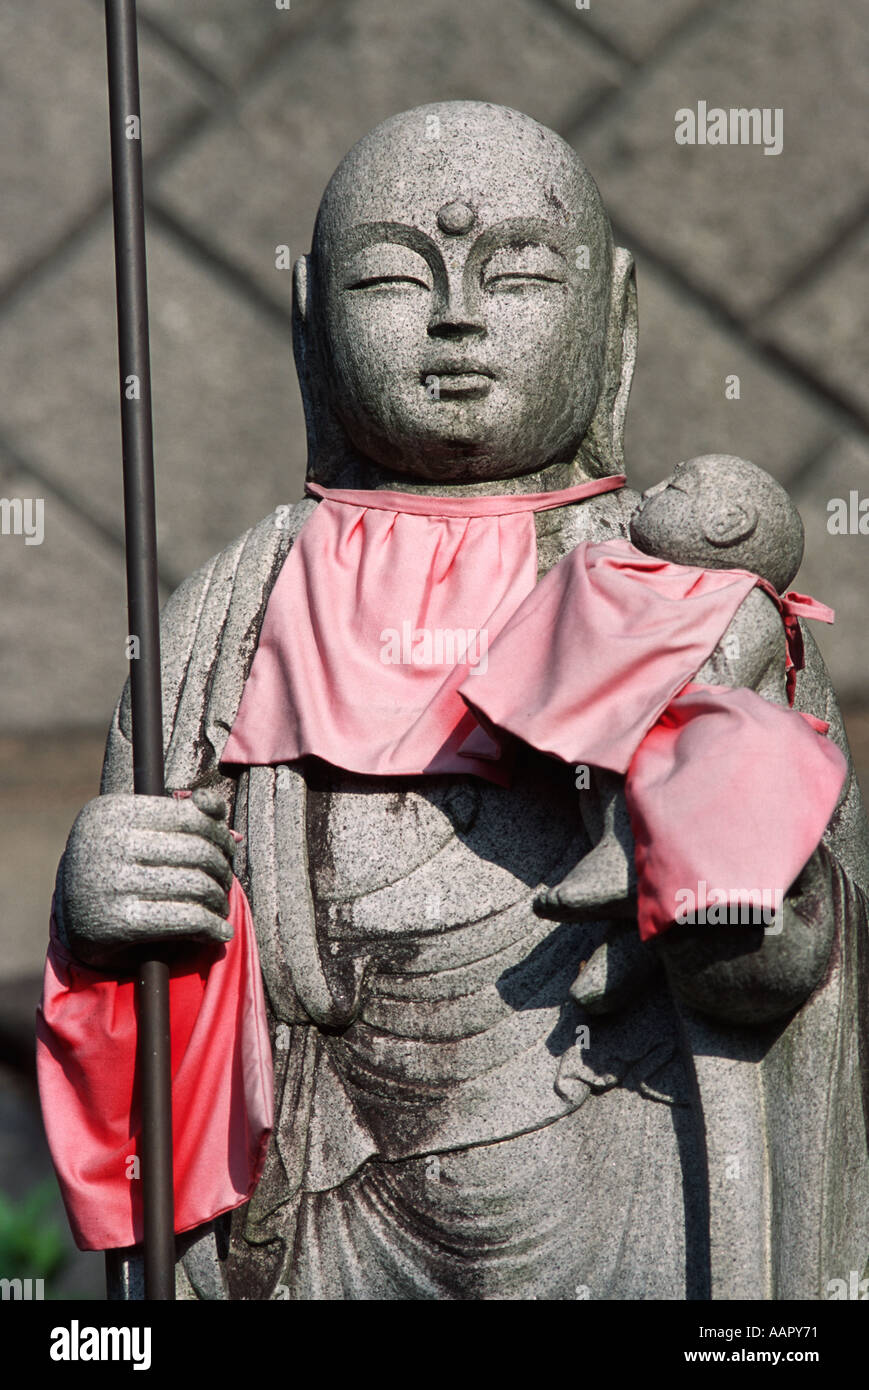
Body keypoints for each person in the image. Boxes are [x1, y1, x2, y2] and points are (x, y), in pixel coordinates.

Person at [39, 104, 869, 1300]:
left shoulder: (681, 595)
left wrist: (757, 921)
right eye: (390, 278)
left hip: (612, 1147)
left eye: (517, 273)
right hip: (322, 1175)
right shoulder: (234, 603)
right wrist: (105, 892)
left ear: (611, 319)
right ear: (313, 327)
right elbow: (155, 933)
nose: (455, 316)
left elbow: (807, 948)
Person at [459, 453, 847, 942]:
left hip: (711, 771)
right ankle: (626, 913)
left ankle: (630, 870)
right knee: (605, 770)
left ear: (727, 525)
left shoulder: (744, 603)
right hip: (628, 761)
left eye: (675, 487)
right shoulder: (625, 574)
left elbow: (713, 692)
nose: (652, 487)